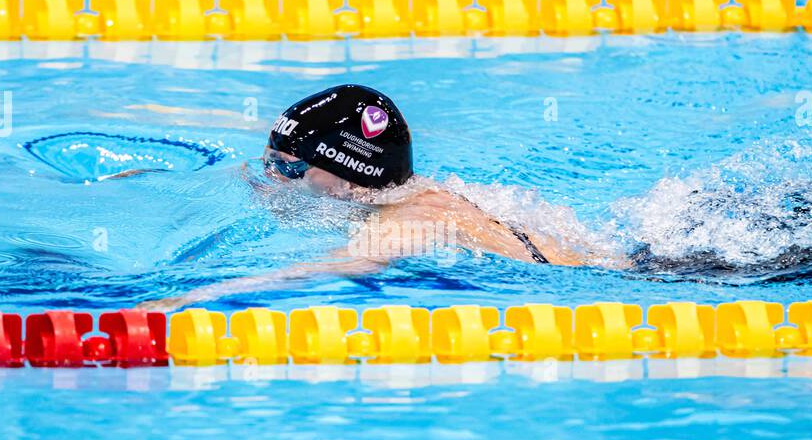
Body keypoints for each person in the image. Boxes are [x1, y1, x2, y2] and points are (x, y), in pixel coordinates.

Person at [137, 84, 599, 311]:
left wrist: (190, 299)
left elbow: (345, 266)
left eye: (290, 168)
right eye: (268, 159)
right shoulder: (373, 196)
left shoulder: (407, 217)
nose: (270, 178)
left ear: (349, 179)